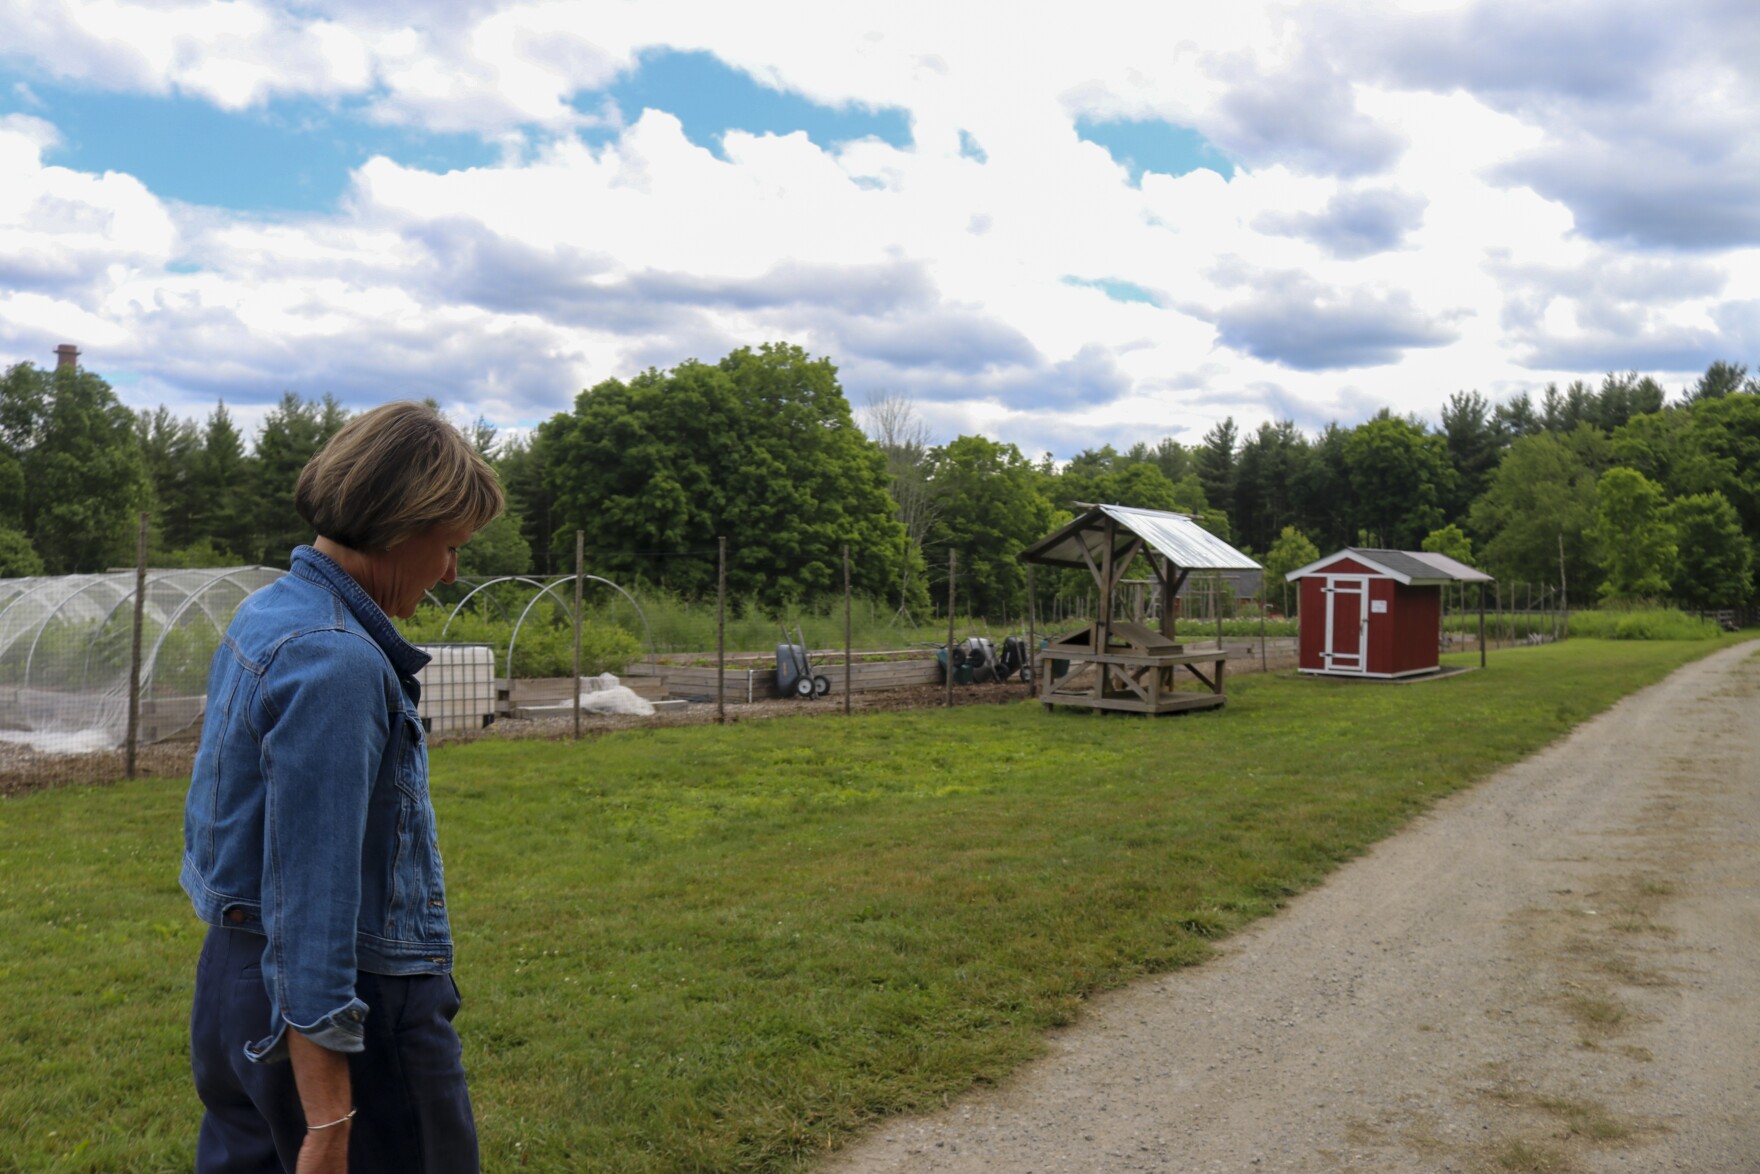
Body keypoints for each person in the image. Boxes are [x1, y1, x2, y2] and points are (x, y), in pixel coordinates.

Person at [180, 401, 504, 1173]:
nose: (452, 571)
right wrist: (329, 1116)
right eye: (450, 545)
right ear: (401, 524)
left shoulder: (266, 616)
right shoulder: (338, 663)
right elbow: (315, 899)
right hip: (348, 1009)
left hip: (233, 982)